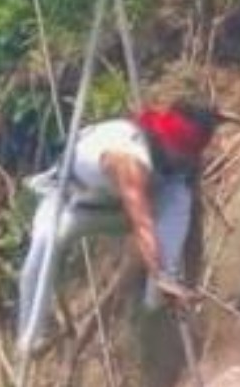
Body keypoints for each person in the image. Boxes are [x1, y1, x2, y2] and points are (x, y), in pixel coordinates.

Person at [15, 99, 225, 356]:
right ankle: (32, 335)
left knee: (179, 192)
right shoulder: (128, 160)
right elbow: (142, 222)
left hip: (118, 211)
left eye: (189, 157)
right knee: (45, 246)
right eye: (180, 156)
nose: (183, 163)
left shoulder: (176, 161)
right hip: (69, 204)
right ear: (165, 143)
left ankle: (157, 298)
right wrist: (157, 271)